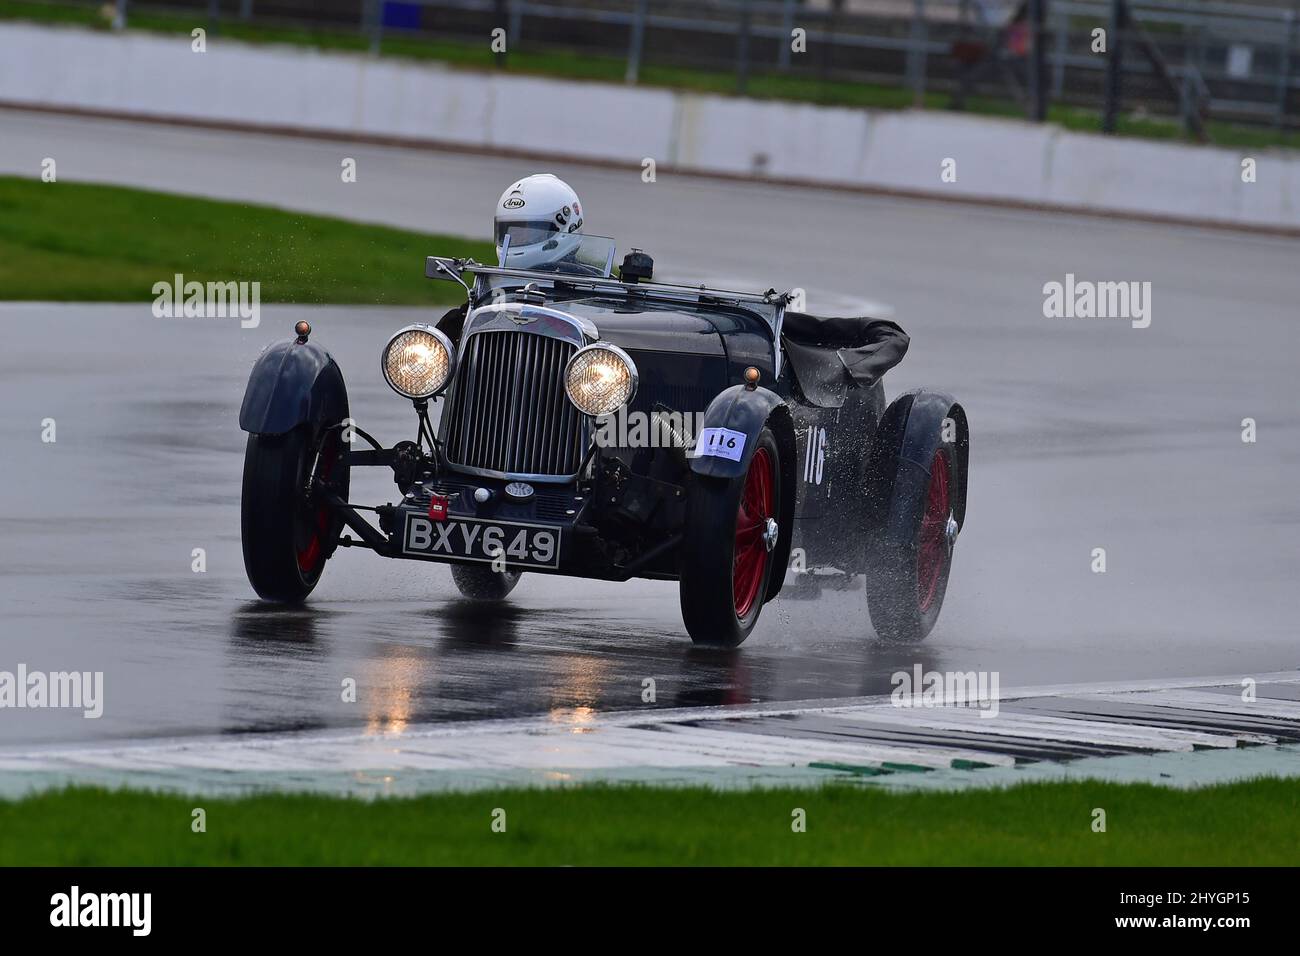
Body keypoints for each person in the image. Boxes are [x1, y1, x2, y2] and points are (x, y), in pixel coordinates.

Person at [438, 174, 586, 341]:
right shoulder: (488, 301)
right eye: (508, 232)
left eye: (525, 232)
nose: (514, 239)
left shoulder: (597, 298)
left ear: (565, 227)